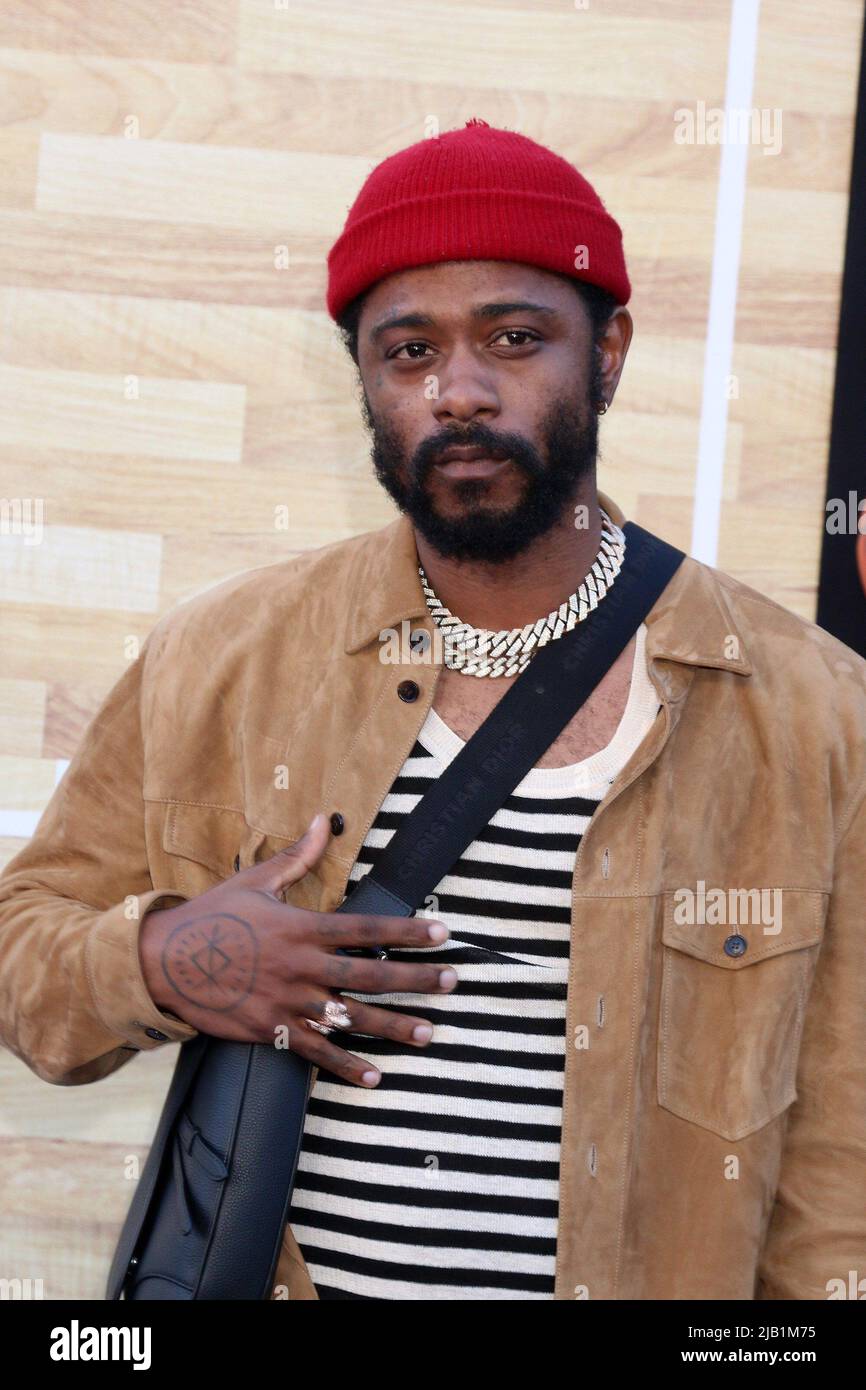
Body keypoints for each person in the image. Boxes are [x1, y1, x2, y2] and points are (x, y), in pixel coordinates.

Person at [0, 120, 864, 1301]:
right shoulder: (222, 658)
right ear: (359, 373)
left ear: (605, 351)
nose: (457, 390)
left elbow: (837, 1174)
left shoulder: (812, 710)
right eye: (406, 350)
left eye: (513, 338)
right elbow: (23, 955)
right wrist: (166, 958)